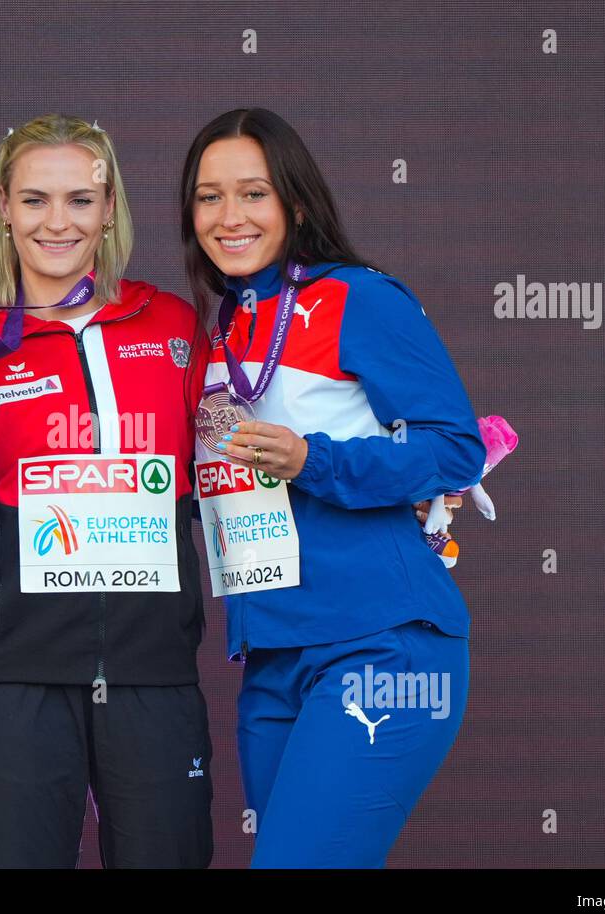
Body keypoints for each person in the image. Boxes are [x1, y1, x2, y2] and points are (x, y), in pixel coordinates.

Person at [0, 114, 213, 868]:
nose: (57, 221)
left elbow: (233, 471)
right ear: (4, 209)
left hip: (154, 676)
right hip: (20, 682)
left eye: (80, 199)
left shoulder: (173, 324)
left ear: (109, 210)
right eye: (35, 199)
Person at [180, 108, 486, 867]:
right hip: (273, 657)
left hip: (380, 646)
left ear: (296, 202)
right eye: (209, 196)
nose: (229, 215)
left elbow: (456, 447)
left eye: (253, 193)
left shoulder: (359, 297)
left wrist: (314, 460)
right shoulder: (224, 328)